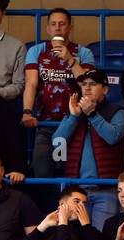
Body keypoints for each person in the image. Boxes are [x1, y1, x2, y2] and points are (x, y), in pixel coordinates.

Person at [21, 7, 93, 181]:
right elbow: (31, 84)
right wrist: (27, 111)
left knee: (72, 173)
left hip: (76, 123)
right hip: (46, 124)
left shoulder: (83, 53)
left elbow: (88, 86)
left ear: (70, 28)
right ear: (48, 29)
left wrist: (69, 59)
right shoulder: (36, 51)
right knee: (42, 172)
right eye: (53, 24)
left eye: (62, 24)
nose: (57, 28)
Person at [53, 69, 124, 229]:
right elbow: (57, 144)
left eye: (93, 84)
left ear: (105, 89)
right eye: (84, 84)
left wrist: (92, 115)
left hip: (107, 189)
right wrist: (73, 117)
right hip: (76, 191)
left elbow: (113, 136)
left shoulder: (117, 111)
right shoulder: (74, 112)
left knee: (101, 238)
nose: (86, 88)